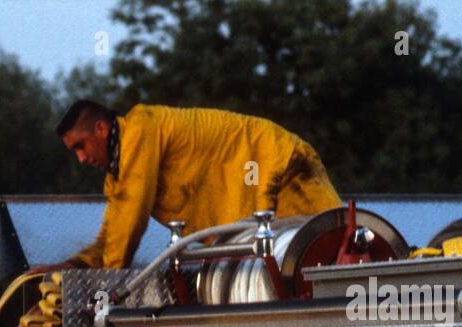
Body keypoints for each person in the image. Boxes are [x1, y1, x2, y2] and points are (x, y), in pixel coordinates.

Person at [46, 100, 342, 270]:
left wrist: (107, 290)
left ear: (101, 128)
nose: (82, 158)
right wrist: (73, 267)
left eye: (80, 146)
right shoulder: (119, 175)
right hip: (262, 189)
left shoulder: (140, 130)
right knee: (300, 264)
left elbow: (129, 222)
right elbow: (112, 236)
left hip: (283, 165)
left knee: (338, 248)